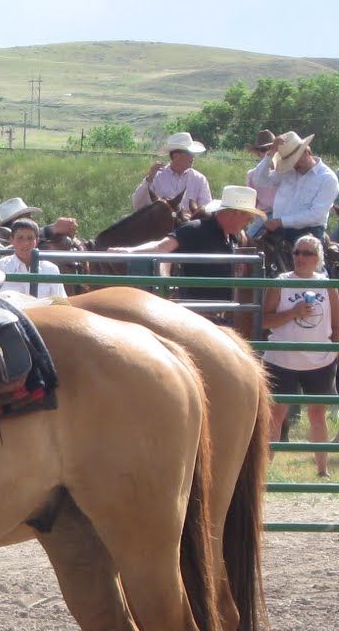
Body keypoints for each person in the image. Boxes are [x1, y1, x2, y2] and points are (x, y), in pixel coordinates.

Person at [262, 233, 338, 478]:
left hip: (319, 361)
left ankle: (322, 470)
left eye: (307, 253)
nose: (300, 257)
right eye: (297, 252)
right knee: (276, 414)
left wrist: (331, 351)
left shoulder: (327, 286)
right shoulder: (281, 282)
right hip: (281, 360)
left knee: (318, 413)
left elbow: (337, 325)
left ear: (318, 259)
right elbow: (265, 321)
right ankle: (264, 471)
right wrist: (293, 313)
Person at [112, 184, 263, 306]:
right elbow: (161, 247)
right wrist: (129, 251)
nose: (247, 224)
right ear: (236, 213)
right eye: (248, 219)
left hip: (224, 310)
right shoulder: (195, 229)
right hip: (200, 311)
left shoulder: (232, 238)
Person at [251, 131, 339, 246]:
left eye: (296, 160)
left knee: (308, 259)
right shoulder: (287, 172)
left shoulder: (327, 178)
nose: (294, 165)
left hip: (309, 233)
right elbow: (259, 179)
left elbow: (316, 215)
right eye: (290, 162)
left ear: (306, 152)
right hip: (278, 231)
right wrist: (271, 152)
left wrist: (281, 222)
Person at [133, 132, 212, 216]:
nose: (193, 157)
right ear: (176, 155)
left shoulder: (199, 179)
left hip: (189, 226)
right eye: (189, 153)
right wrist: (149, 179)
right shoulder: (157, 176)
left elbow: (206, 207)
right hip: (162, 225)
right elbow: (138, 205)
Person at [0, 218, 65, 299]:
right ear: (11, 240)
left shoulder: (51, 270)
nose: (25, 243)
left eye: (30, 238)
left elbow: (60, 303)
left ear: (37, 241)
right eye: (20, 238)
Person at [0, 197, 78, 245]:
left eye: (29, 217)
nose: (32, 220)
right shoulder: (3, 243)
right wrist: (52, 229)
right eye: (25, 218)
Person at [244, 129, 279, 237]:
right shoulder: (252, 174)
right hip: (263, 215)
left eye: (271, 148)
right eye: (264, 149)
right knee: (248, 237)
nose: (268, 152)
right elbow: (251, 202)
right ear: (258, 152)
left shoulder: (285, 172)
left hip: (284, 214)